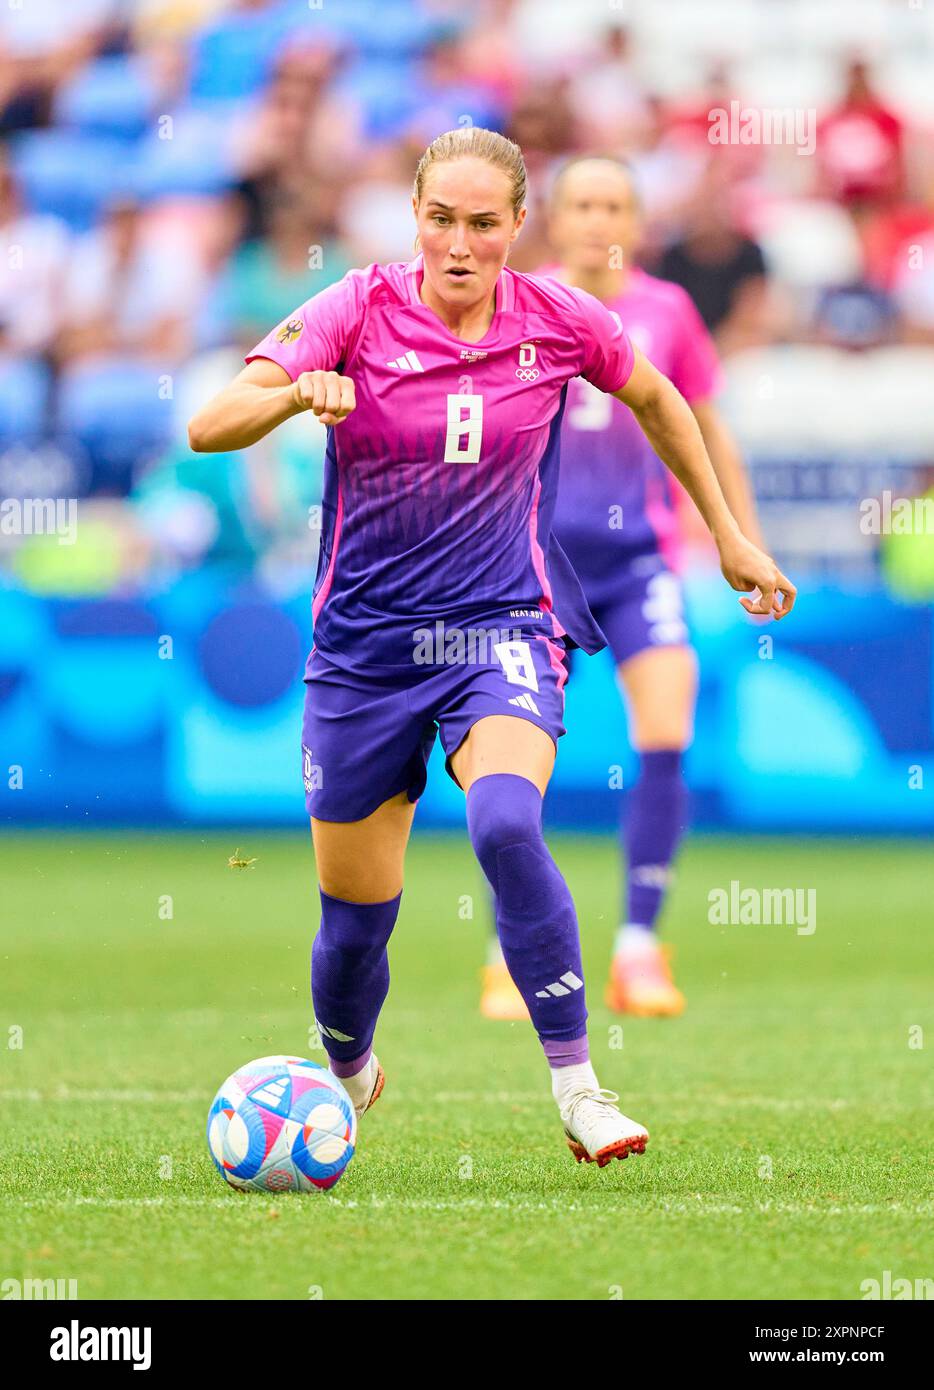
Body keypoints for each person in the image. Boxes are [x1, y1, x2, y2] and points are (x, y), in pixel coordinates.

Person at [188, 128, 795, 1168]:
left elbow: (659, 397)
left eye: (481, 224)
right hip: (363, 652)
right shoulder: (357, 307)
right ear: (413, 217)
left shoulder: (560, 317)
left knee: (507, 821)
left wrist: (730, 534)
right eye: (439, 220)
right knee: (351, 936)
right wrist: (296, 391)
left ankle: (580, 1088)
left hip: (499, 630)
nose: (458, 244)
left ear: (520, 226)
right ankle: (346, 1066)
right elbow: (209, 423)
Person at [480, 157, 765, 1022]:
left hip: (639, 559)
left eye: (616, 205)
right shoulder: (516, 303)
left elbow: (705, 424)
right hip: (531, 565)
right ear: (552, 220)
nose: (600, 218)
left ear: (638, 222)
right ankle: (509, 951)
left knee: (668, 727)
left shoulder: (667, 311)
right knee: (510, 752)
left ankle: (639, 947)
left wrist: (736, 536)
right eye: (584, 204)